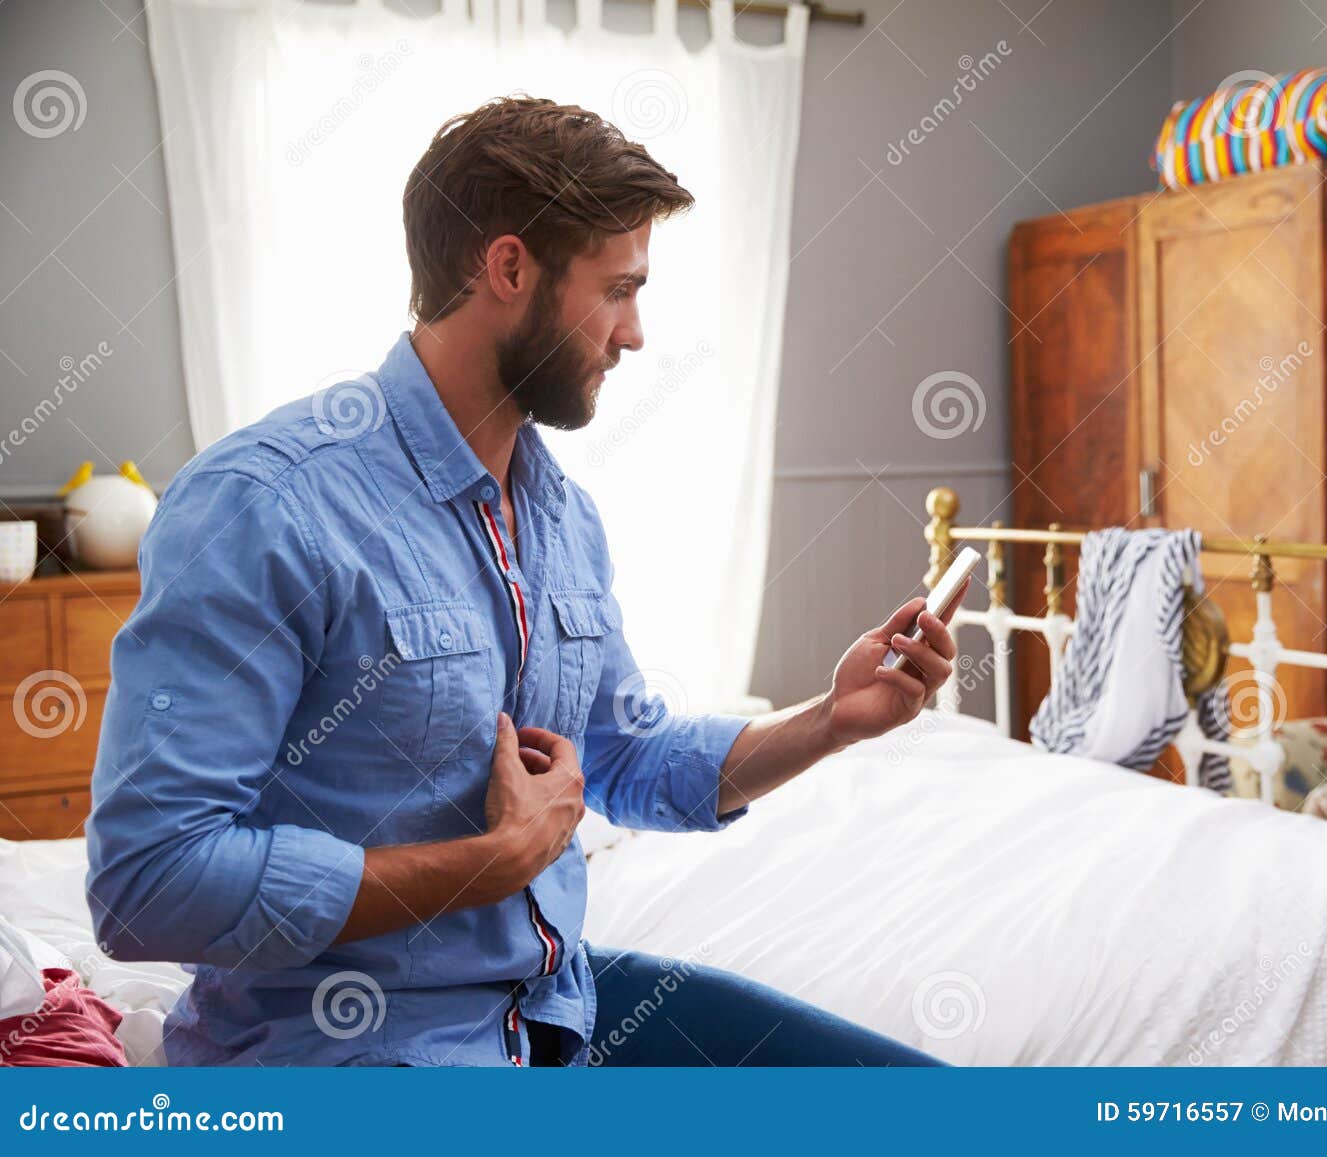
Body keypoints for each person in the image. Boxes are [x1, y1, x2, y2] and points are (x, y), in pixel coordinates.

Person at [86, 97, 966, 1067]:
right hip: (362, 1048)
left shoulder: (558, 513)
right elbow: (147, 882)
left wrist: (832, 719)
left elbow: (625, 755)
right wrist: (489, 864)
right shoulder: (264, 505)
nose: (634, 333)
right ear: (506, 268)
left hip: (556, 1007)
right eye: (618, 289)